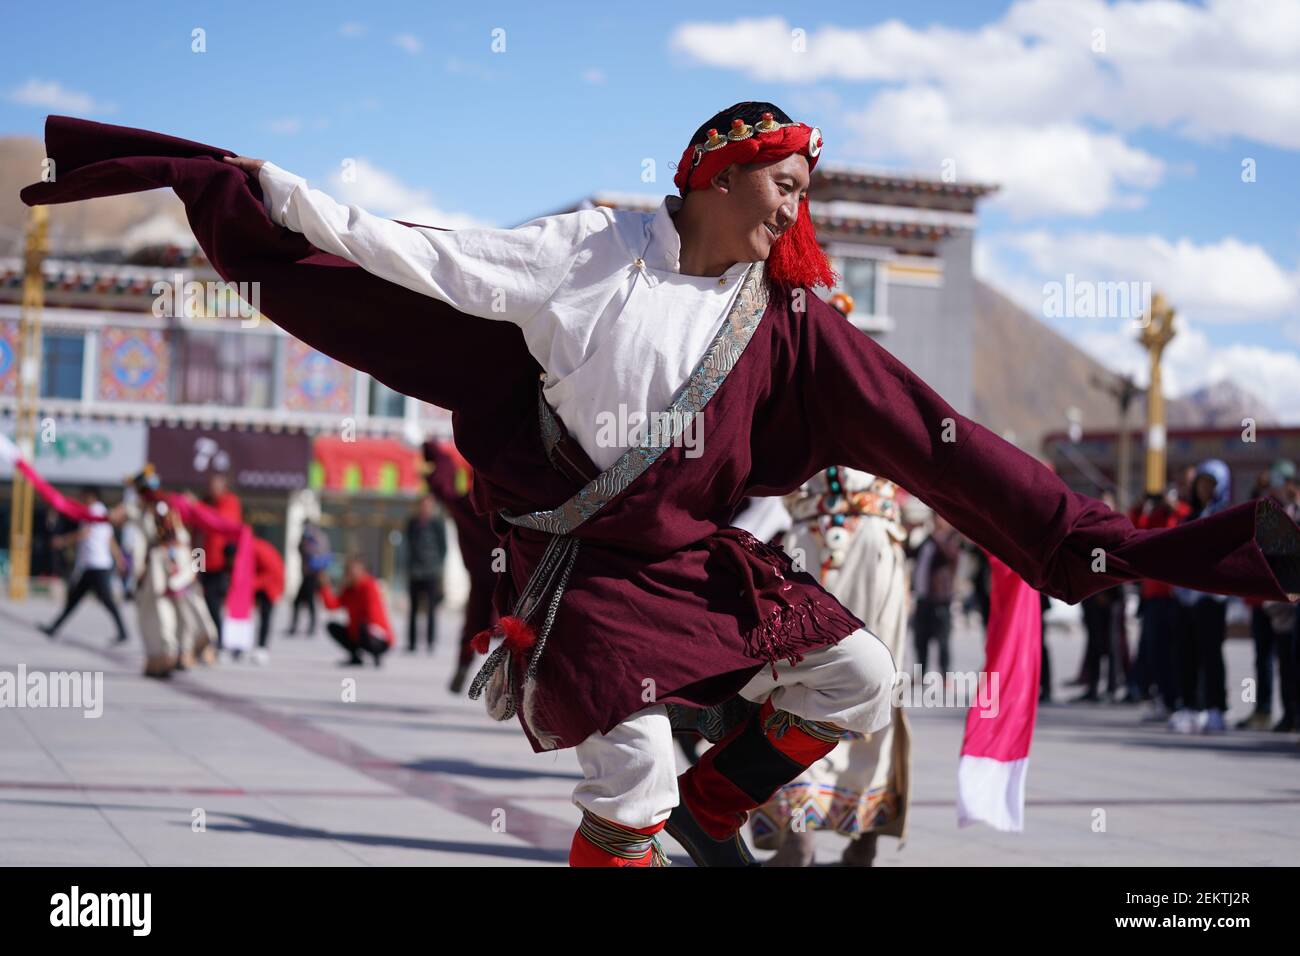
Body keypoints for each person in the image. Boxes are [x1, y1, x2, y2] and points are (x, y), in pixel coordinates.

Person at [27, 106, 1300, 867]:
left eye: (803, 190)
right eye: (782, 184)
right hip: (583, 565)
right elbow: (426, 253)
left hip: (692, 556)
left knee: (860, 679)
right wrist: (269, 196)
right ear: (714, 172)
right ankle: (655, 814)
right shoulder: (589, 249)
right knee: (619, 769)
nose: (795, 208)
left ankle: (714, 807)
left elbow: (936, 432)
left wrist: (1097, 541)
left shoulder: (791, 319)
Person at [747, 467, 913, 867]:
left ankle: (799, 834)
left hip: (817, 536)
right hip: (873, 537)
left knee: (806, 680)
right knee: (878, 685)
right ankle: (863, 835)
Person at [422, 440, 498, 692]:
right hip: (513, 575)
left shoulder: (466, 506)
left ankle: (465, 663)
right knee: (521, 625)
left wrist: (435, 452)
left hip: (481, 576)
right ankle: (517, 678)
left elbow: (442, 486)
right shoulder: (506, 506)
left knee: (474, 623)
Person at [1169, 460, 1234, 734]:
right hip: (1188, 598)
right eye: (1202, 484)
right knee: (1187, 654)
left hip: (1212, 599)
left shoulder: (1227, 519)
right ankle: (1189, 707)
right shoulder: (1190, 518)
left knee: (1212, 655)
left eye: (1211, 484)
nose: (1205, 489)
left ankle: (1216, 709)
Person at [38, 487, 129, 644]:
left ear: (91, 496)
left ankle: (123, 632)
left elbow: (85, 533)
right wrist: (119, 558)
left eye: (83, 496)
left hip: (97, 565)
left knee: (105, 600)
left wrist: (63, 541)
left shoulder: (93, 512)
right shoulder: (102, 512)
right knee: (76, 599)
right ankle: (54, 627)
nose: (81, 499)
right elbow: (110, 539)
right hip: (94, 565)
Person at [910, 512, 960, 677]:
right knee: (920, 638)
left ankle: (945, 674)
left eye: (940, 517)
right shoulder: (927, 539)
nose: (937, 520)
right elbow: (911, 554)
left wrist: (936, 536)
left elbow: (950, 556)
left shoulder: (949, 539)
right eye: (935, 517)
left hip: (941, 598)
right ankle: (921, 673)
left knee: (942, 639)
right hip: (923, 597)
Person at [319, 555, 394, 667]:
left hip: (377, 635)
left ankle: (376, 655)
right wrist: (324, 586)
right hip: (357, 632)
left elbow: (372, 614)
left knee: (363, 628)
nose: (349, 573)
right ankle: (355, 656)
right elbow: (332, 605)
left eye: (352, 570)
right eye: (348, 570)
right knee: (332, 626)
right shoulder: (349, 589)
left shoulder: (369, 586)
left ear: (362, 571)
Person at [194, 473, 242, 647]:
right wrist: (196, 566)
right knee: (200, 605)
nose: (211, 488)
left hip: (220, 565)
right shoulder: (205, 503)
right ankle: (205, 640)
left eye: (215, 484)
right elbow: (197, 537)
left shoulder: (229, 502)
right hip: (203, 564)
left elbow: (222, 521)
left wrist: (198, 509)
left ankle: (219, 641)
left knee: (213, 604)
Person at [405, 495, 447, 653]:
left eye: (428, 505)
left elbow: (443, 548)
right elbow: (409, 545)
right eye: (422, 505)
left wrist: (438, 567)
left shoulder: (437, 523)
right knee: (414, 608)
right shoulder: (412, 523)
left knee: (431, 608)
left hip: (431, 572)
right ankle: (412, 643)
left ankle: (430, 642)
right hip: (415, 572)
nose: (425, 508)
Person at [287, 519, 329, 637]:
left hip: (314, 574)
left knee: (309, 601)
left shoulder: (319, 537)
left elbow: (321, 554)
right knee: (298, 602)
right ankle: (295, 626)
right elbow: (299, 550)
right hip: (306, 574)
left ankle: (311, 627)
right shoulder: (304, 538)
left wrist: (310, 545)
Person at [251, 536, 285, 665]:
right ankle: (260, 646)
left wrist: (252, 584)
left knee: (265, 616)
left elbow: (271, 571)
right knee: (264, 617)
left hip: (269, 587)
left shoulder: (256, 548)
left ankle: (261, 646)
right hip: (267, 585)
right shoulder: (260, 546)